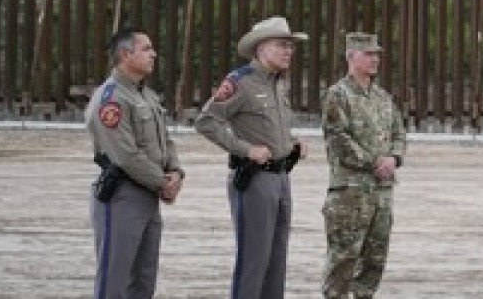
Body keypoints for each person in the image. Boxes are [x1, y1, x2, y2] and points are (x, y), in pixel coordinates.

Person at [195, 16, 309, 299]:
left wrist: (291, 144)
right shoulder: (240, 82)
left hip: (281, 178)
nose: (288, 51)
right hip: (255, 181)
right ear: (261, 49)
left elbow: (267, 127)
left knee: (276, 261)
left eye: (291, 47)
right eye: (282, 45)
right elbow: (206, 122)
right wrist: (246, 150)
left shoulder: (277, 83)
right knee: (253, 262)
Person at [86, 27, 185, 298]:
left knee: (143, 282)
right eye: (147, 48)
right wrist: (162, 183)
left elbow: (166, 140)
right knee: (114, 283)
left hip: (149, 197)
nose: (154, 54)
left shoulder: (146, 96)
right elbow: (126, 154)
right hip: (122, 197)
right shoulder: (111, 98)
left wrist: (175, 172)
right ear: (125, 54)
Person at [320, 32, 406, 299]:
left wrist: (394, 158)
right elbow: (338, 139)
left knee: (374, 261)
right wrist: (373, 162)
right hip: (350, 193)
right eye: (368, 54)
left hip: (381, 192)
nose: (375, 59)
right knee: (343, 261)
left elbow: (399, 134)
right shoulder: (338, 95)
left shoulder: (382, 97)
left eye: (376, 54)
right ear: (351, 56)